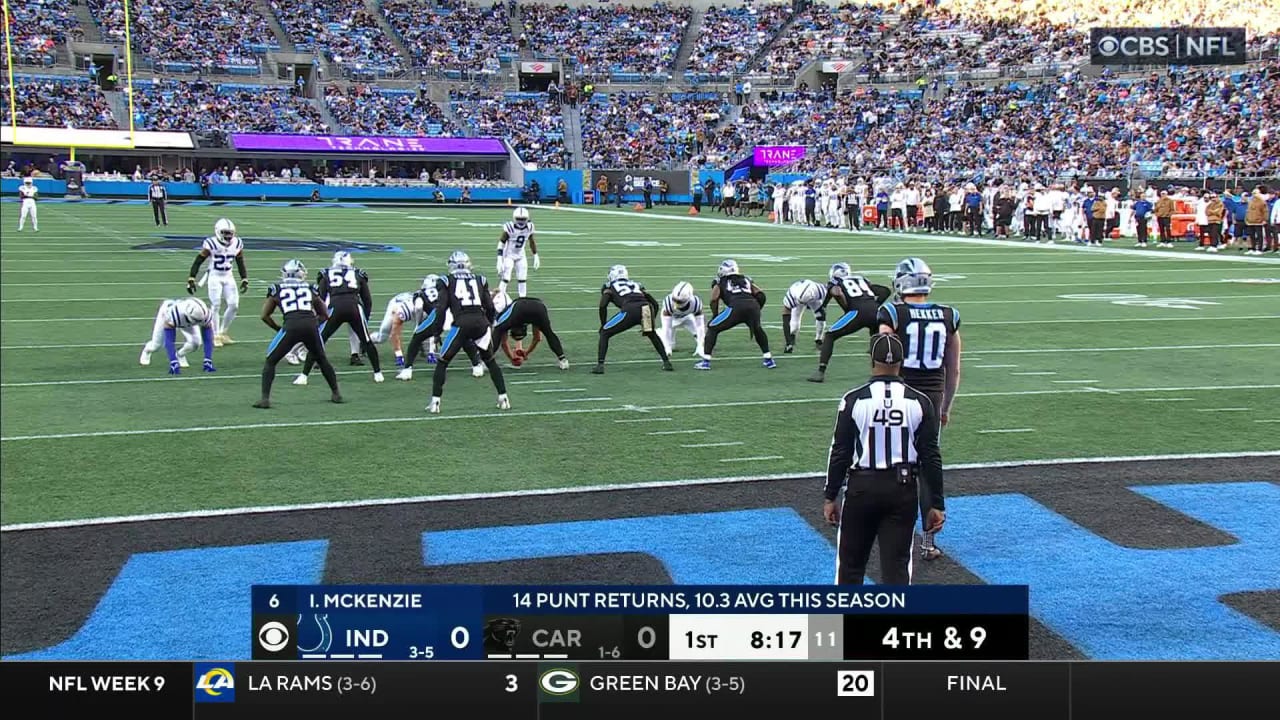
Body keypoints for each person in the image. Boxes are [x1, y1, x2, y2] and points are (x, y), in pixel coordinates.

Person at [823, 333, 945, 585]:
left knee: (850, 567)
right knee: (897, 569)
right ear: (902, 361)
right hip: (902, 490)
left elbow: (840, 452)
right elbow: (930, 457)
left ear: (871, 359)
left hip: (862, 488)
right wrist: (936, 503)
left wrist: (830, 495)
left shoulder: (853, 399)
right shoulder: (919, 401)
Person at [877, 258, 962, 562]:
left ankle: (893, 536)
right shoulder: (949, 315)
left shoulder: (891, 312)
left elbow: (883, 355)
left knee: (891, 464)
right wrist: (946, 406)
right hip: (931, 398)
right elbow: (953, 370)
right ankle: (927, 542)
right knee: (927, 467)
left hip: (899, 394)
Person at [421, 251, 510, 413]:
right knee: (490, 361)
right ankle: (503, 397)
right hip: (480, 323)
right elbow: (490, 307)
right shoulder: (480, 280)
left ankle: (435, 402)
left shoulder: (446, 281)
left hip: (461, 323)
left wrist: (437, 331)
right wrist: (489, 324)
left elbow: (441, 308)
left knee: (443, 362)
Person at [254, 260, 343, 409]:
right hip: (310, 326)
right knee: (322, 360)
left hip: (291, 326)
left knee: (271, 361)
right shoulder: (310, 288)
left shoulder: (276, 288)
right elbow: (325, 314)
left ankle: (265, 399)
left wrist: (278, 329)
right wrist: (313, 324)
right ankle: (336, 393)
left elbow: (264, 315)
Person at [293, 251, 383, 385]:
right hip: (354, 307)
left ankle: (304, 375)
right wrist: (366, 318)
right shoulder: (358, 274)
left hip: (335, 308)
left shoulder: (326, 273)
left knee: (319, 340)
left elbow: (321, 299)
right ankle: (378, 373)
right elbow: (367, 301)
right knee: (366, 341)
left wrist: (320, 317)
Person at [809, 263, 892, 383]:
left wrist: (844, 307)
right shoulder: (861, 279)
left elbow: (836, 293)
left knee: (830, 336)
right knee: (875, 339)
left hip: (857, 312)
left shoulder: (835, 283)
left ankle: (820, 372)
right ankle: (882, 372)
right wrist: (874, 305)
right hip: (875, 311)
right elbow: (885, 291)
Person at [593, 264, 672, 374]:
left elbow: (603, 305)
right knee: (651, 334)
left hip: (630, 310)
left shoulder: (608, 286)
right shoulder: (636, 284)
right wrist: (649, 322)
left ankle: (600, 365)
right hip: (646, 308)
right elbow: (654, 304)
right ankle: (667, 362)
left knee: (604, 332)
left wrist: (603, 323)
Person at [696, 259, 773, 370]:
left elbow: (714, 299)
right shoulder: (746, 279)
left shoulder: (720, 281)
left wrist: (715, 314)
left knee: (712, 327)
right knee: (758, 329)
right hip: (753, 306)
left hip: (736, 307)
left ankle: (706, 362)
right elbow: (760, 294)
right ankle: (769, 359)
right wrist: (756, 309)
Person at [187, 218, 249, 347]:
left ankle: (222, 332)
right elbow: (199, 260)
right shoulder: (211, 243)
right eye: (225, 233)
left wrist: (244, 278)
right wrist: (192, 278)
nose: (228, 236)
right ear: (218, 232)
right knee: (215, 305)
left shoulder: (237, 243)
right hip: (215, 277)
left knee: (234, 305)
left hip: (228, 276)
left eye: (230, 233)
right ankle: (214, 335)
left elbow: (240, 260)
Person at [491, 291, 569, 370]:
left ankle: (486, 360)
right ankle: (563, 359)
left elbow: (503, 342)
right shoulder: (518, 319)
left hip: (519, 307)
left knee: (498, 331)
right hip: (539, 307)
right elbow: (537, 338)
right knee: (549, 333)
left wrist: (512, 358)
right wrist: (526, 353)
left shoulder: (508, 321)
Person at [138, 297, 217, 374]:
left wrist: (208, 359)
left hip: (185, 318)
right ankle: (147, 351)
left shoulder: (205, 314)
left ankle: (180, 354)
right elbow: (169, 340)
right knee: (156, 345)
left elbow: (208, 338)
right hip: (168, 315)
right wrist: (173, 361)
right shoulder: (173, 314)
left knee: (196, 342)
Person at [497, 207, 540, 298]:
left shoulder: (529, 227)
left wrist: (535, 255)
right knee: (506, 277)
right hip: (509, 255)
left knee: (522, 278)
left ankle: (522, 299)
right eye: (519, 219)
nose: (521, 221)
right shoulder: (510, 228)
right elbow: (501, 244)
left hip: (520, 255)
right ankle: (499, 297)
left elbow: (531, 241)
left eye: (523, 219)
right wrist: (499, 259)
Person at [659, 281, 705, 357]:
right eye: (675, 300)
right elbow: (667, 327)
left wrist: (700, 346)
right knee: (670, 346)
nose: (676, 303)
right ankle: (660, 333)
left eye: (679, 301)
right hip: (672, 320)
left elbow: (700, 326)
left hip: (687, 317)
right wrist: (667, 347)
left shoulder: (696, 303)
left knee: (702, 340)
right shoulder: (668, 302)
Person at [780, 279, 826, 354]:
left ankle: (819, 340)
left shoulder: (819, 290)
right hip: (798, 298)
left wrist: (824, 306)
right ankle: (791, 339)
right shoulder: (791, 295)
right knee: (795, 323)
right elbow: (785, 318)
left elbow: (830, 293)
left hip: (814, 298)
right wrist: (788, 342)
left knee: (821, 315)